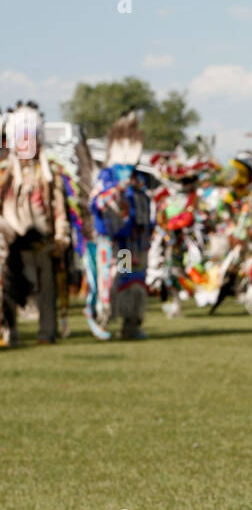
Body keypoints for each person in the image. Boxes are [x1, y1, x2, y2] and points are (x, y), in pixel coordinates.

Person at [0, 103, 70, 346]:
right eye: (22, 140)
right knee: (8, 289)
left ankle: (46, 333)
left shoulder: (49, 174)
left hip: (44, 241)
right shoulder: (4, 173)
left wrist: (62, 234)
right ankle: (9, 333)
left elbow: (59, 208)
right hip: (12, 241)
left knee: (46, 290)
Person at [90, 114, 155, 340]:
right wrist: (117, 189)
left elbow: (146, 210)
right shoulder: (107, 175)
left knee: (130, 280)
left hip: (129, 246)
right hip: (111, 241)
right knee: (107, 281)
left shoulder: (139, 179)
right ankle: (103, 320)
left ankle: (130, 324)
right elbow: (97, 202)